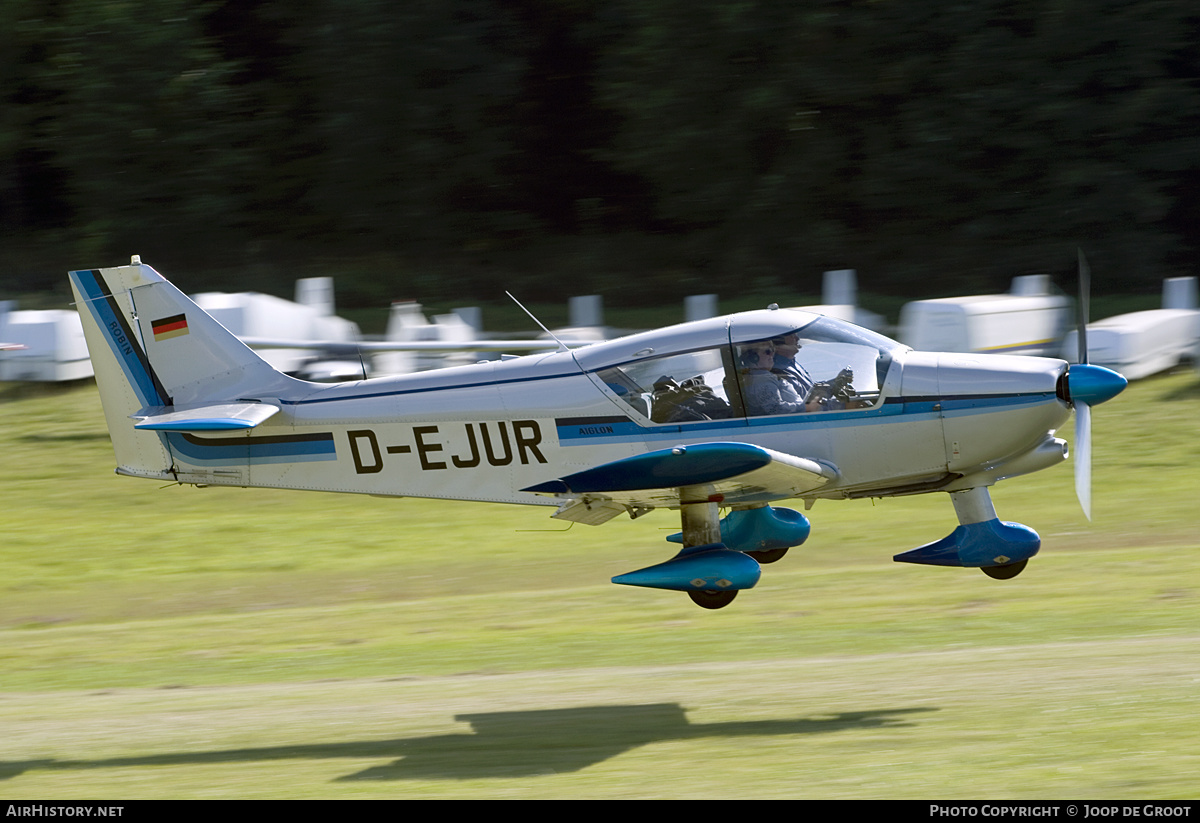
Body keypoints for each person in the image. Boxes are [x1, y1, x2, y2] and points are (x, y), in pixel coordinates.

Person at [738, 342, 813, 416]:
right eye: (767, 352)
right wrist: (807, 408)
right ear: (753, 358)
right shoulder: (762, 380)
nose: (772, 355)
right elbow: (775, 409)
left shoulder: (757, 377)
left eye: (772, 351)